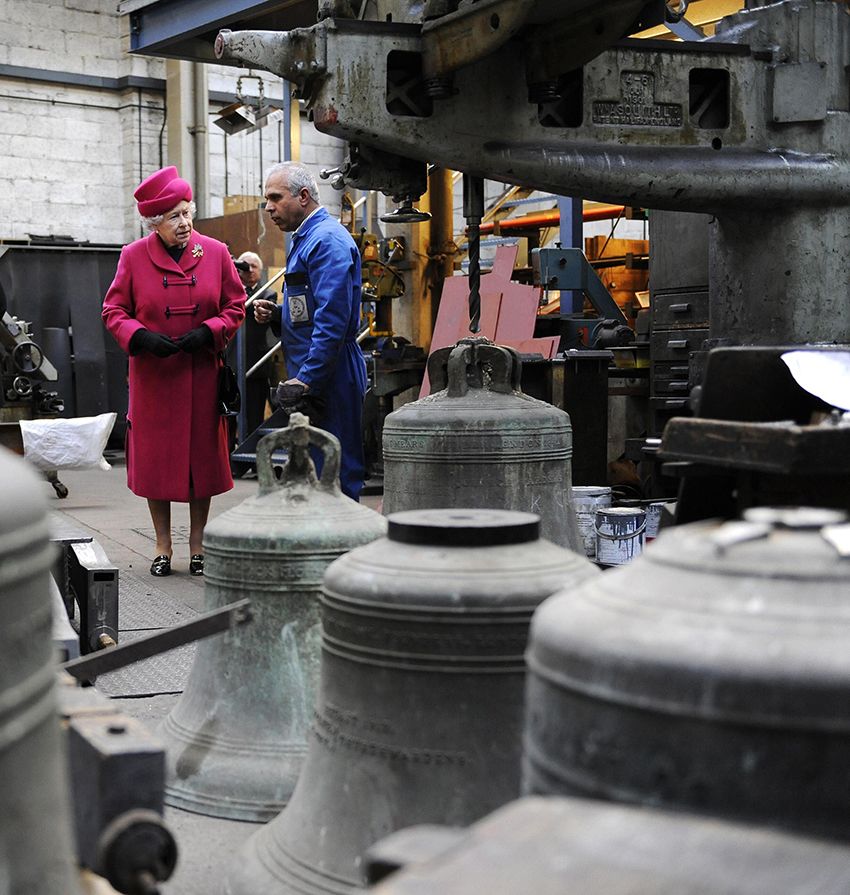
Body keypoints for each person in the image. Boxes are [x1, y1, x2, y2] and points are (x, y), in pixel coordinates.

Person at [102, 166, 245, 577]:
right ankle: (162, 546)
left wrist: (210, 331)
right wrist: (140, 338)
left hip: (201, 373)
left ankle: (197, 545)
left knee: (202, 461)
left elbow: (235, 306)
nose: (184, 223)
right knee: (158, 464)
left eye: (186, 213)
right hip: (154, 378)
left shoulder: (215, 252)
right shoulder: (132, 256)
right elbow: (113, 310)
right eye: (173, 217)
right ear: (154, 223)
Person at [254, 161, 367, 500]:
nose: (269, 208)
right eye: (266, 200)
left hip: (330, 372)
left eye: (275, 198)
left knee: (336, 468)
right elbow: (311, 308)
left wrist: (308, 380)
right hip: (313, 370)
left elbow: (332, 320)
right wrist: (279, 315)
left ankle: (346, 549)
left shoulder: (326, 242)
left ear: (303, 196)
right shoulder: (305, 239)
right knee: (315, 469)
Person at [232, 251, 277, 438]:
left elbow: (257, 315)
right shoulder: (230, 290)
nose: (249, 270)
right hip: (233, 362)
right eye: (245, 266)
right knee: (230, 414)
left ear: (261, 270)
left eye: (254, 266)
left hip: (256, 364)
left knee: (255, 413)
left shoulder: (268, 293)